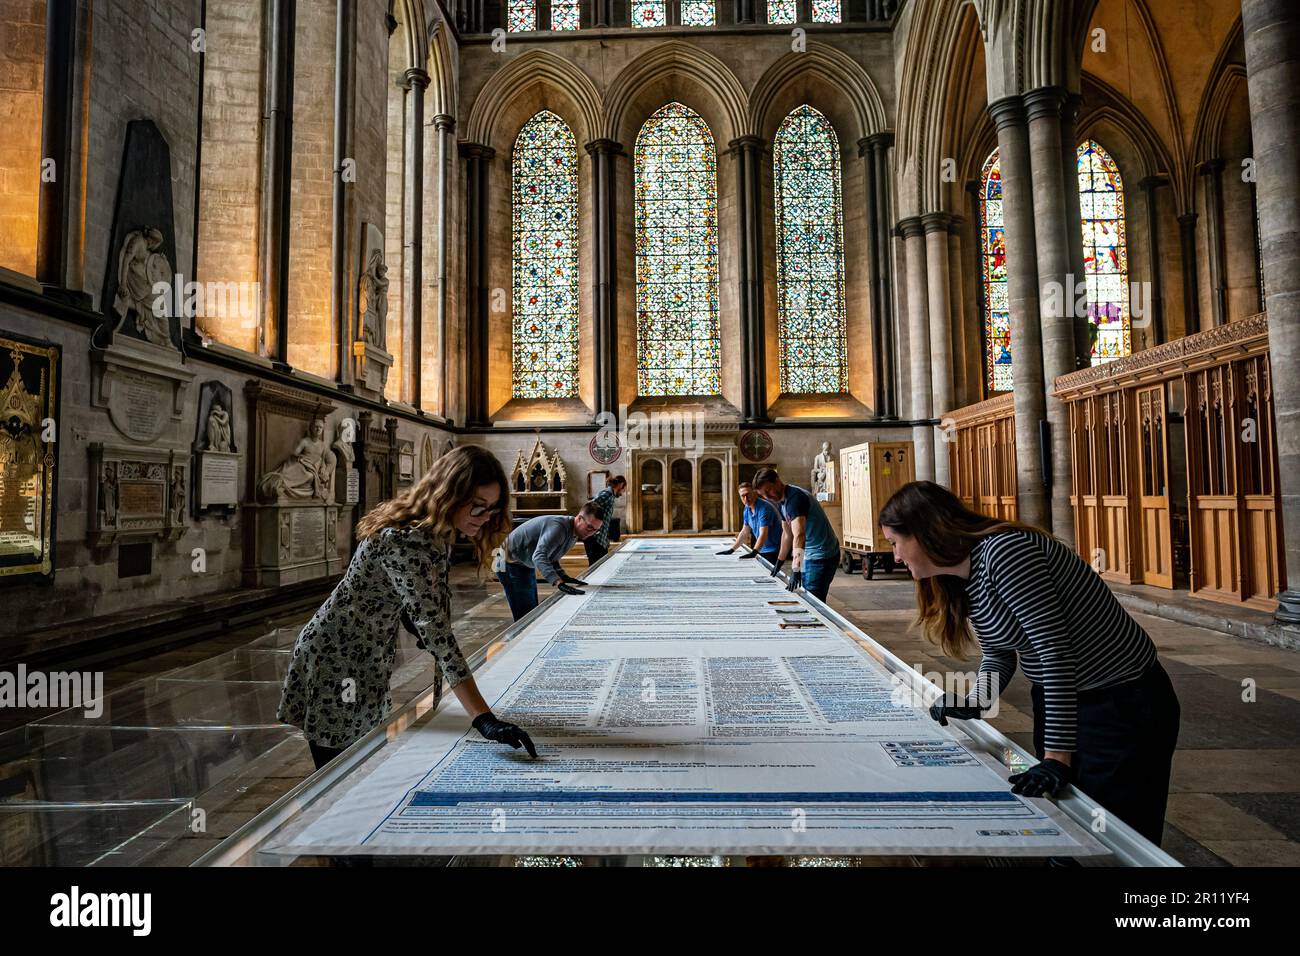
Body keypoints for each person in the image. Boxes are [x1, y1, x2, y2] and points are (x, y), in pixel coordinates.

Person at [878, 480, 1180, 845]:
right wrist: (977, 700)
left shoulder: (1006, 552)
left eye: (896, 543)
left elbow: (1054, 651)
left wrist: (1056, 756)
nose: (896, 556)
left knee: (1117, 831)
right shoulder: (965, 576)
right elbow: (999, 651)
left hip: (1122, 704)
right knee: (1068, 818)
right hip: (1069, 701)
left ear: (925, 533)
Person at [277, 445, 537, 770]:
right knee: (339, 776)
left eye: (492, 510)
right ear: (449, 496)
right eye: (478, 508)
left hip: (368, 659)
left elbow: (409, 604)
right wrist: (483, 718)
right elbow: (438, 634)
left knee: (361, 763)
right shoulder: (404, 541)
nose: (485, 519)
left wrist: (412, 618)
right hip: (336, 661)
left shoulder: (434, 535)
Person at [497, 504, 603, 621]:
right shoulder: (559, 528)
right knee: (525, 614)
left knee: (532, 610)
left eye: (596, 530)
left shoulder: (573, 533)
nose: (591, 533)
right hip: (506, 561)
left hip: (521, 562)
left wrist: (563, 576)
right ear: (579, 519)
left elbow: (551, 557)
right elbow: (539, 556)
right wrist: (558, 582)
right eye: (589, 527)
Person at [752, 466, 840, 601]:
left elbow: (799, 535)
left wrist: (796, 568)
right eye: (763, 495)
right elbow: (787, 534)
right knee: (806, 594)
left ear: (777, 480)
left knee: (813, 600)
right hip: (809, 553)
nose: (767, 497)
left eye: (768, 490)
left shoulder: (794, 499)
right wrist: (779, 562)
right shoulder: (781, 501)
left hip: (821, 555)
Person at [716, 482, 782, 563]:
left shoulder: (764, 508)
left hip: (773, 549)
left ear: (755, 493)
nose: (746, 498)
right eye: (743, 496)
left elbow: (763, 533)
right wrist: (732, 550)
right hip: (762, 549)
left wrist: (754, 552)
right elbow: (744, 531)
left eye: (748, 494)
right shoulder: (747, 508)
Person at [583, 475, 627, 566]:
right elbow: (589, 507)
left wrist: (605, 540)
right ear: (620, 485)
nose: (623, 493)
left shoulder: (610, 495)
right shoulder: (607, 494)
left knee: (600, 567)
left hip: (600, 540)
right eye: (624, 489)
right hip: (595, 539)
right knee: (595, 568)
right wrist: (590, 528)